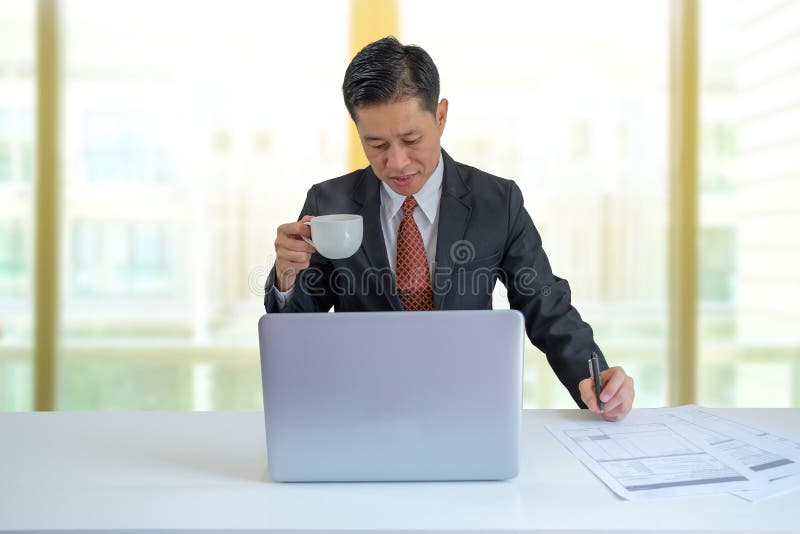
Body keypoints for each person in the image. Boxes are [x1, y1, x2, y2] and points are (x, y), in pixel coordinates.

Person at [264, 36, 634, 421]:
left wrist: (594, 376)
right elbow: (297, 335)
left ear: (440, 116)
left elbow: (545, 305)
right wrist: (287, 279)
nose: (397, 162)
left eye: (411, 139)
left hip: (467, 411)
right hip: (361, 412)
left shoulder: (497, 202)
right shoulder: (328, 204)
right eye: (376, 145)